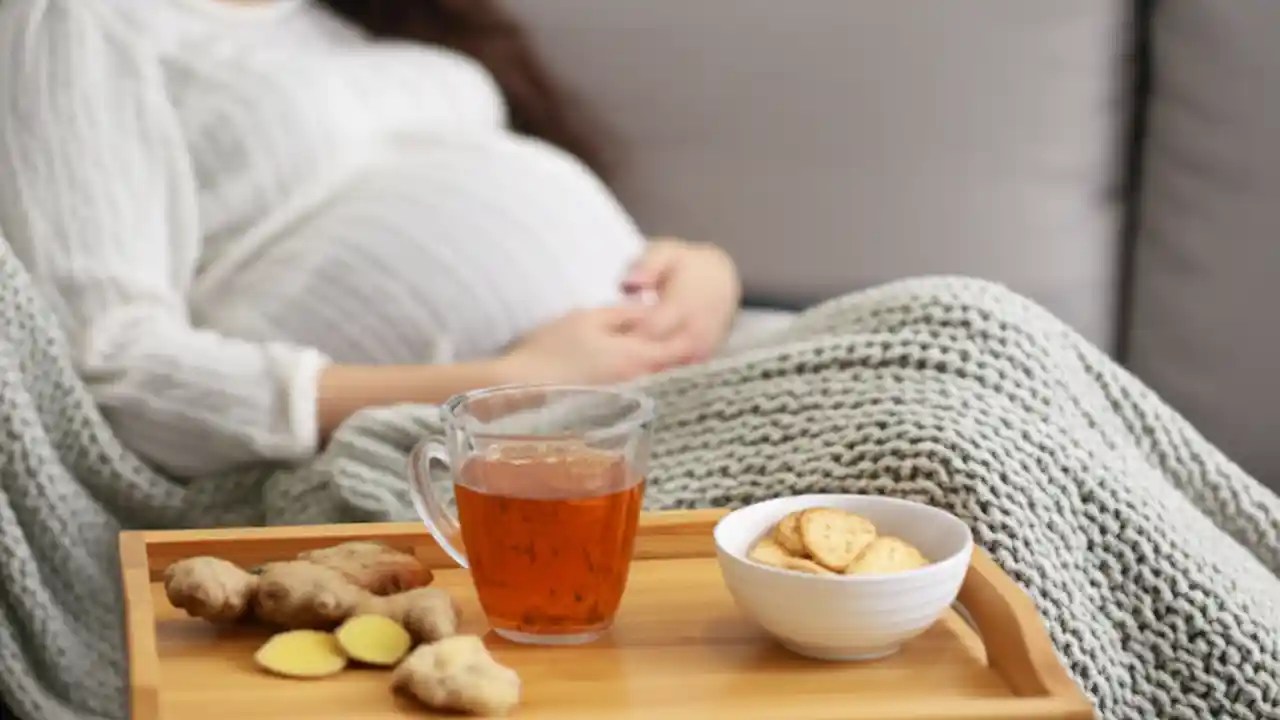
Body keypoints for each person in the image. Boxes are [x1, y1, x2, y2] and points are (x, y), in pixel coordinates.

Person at [0, 0, 742, 477]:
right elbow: (113, 369)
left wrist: (701, 274)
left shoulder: (356, 16)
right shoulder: (80, 18)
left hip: (656, 383)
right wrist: (497, 388)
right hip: (478, 453)